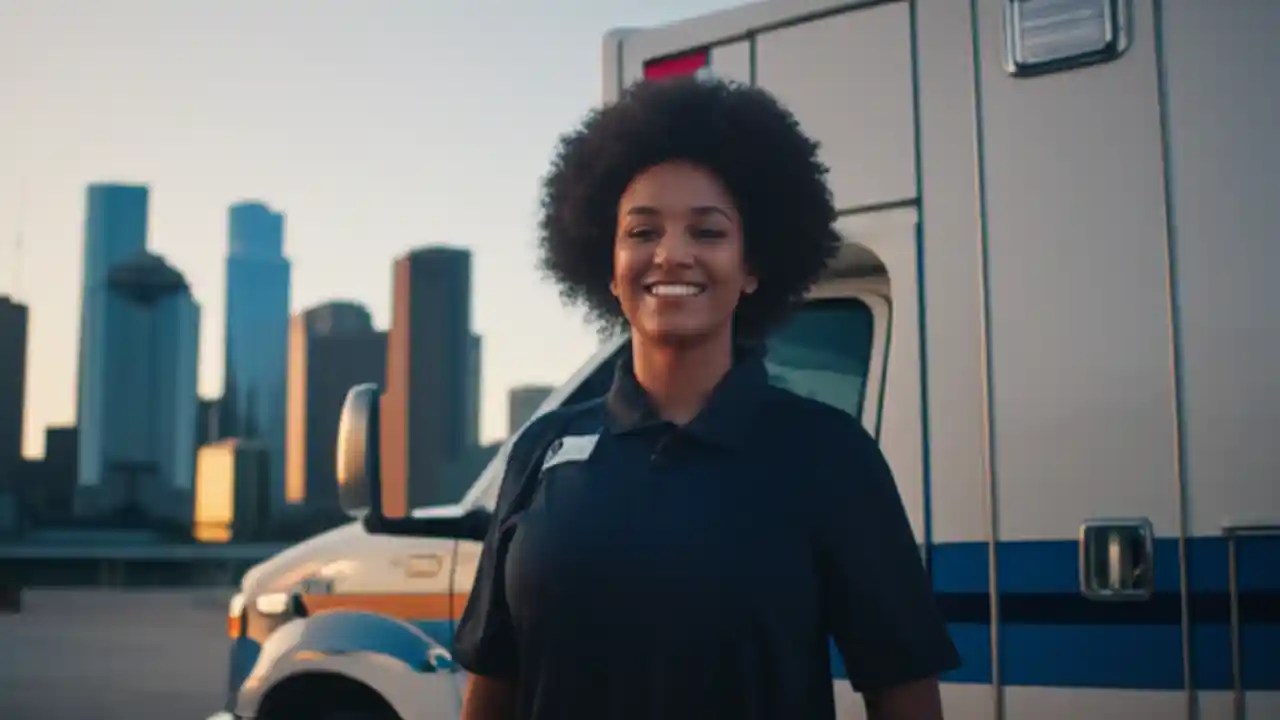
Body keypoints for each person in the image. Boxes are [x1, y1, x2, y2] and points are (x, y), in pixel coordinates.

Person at [454, 75, 961, 720]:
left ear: (752, 268)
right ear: (608, 268)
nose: (672, 255)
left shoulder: (830, 455)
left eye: (708, 232)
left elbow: (904, 694)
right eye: (642, 232)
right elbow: (494, 687)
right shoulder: (542, 448)